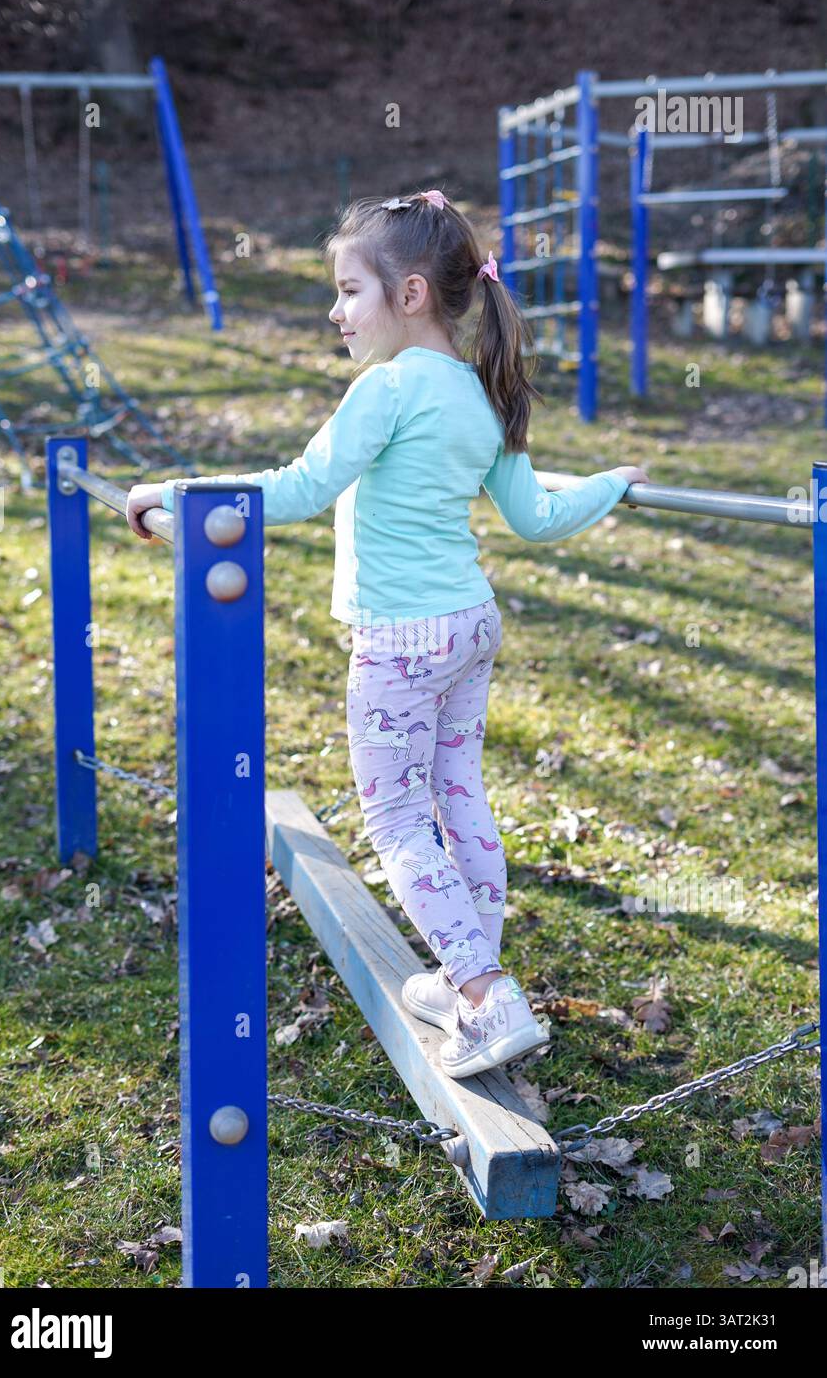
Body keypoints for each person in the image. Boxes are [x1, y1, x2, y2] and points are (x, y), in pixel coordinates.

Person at [126, 187, 649, 1080]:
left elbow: (297, 489)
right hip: (471, 627)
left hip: (403, 643)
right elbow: (535, 518)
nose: (336, 312)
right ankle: (465, 973)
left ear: (410, 294)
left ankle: (485, 994)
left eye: (348, 291)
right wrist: (610, 481)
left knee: (400, 821)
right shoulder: (484, 396)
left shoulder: (388, 387)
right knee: (460, 799)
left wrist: (176, 497)